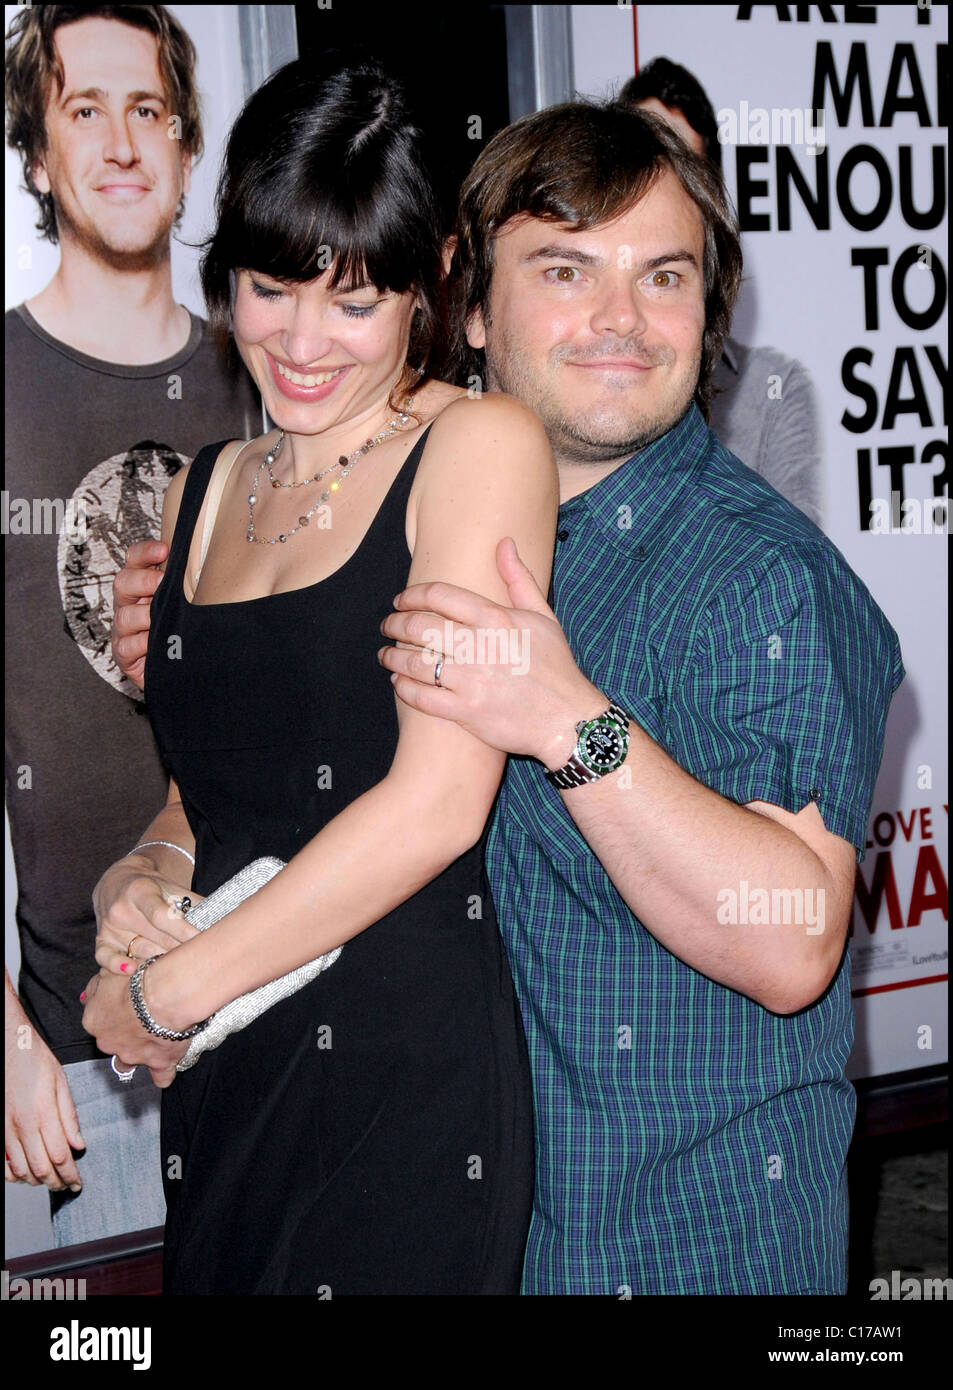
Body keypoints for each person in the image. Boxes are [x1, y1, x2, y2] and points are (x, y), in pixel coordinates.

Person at [111, 101, 903, 1295]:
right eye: (566, 270)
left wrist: (566, 723)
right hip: (445, 1208)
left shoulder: (759, 575)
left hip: (681, 1248)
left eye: (664, 276)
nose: (620, 321)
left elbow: (794, 940)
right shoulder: (440, 512)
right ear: (471, 306)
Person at [80, 54, 557, 1296]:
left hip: (394, 1075)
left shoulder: (474, 445)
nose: (300, 342)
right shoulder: (200, 489)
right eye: (269, 288)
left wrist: (171, 991)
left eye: (353, 301)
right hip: (228, 1072)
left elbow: (436, 801)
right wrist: (144, 876)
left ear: (424, 289)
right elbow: (217, 791)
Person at [4, 4, 260, 1251]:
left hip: (275, 1001)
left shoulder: (275, 378)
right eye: (82, 109)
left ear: (185, 140)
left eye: (148, 109)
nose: (120, 142)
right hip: (71, 1045)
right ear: (37, 157)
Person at [617, 57, 823, 526]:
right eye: (643, 159)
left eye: (681, 167)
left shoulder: (774, 387)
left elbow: (795, 562)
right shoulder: (576, 357)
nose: (659, 189)